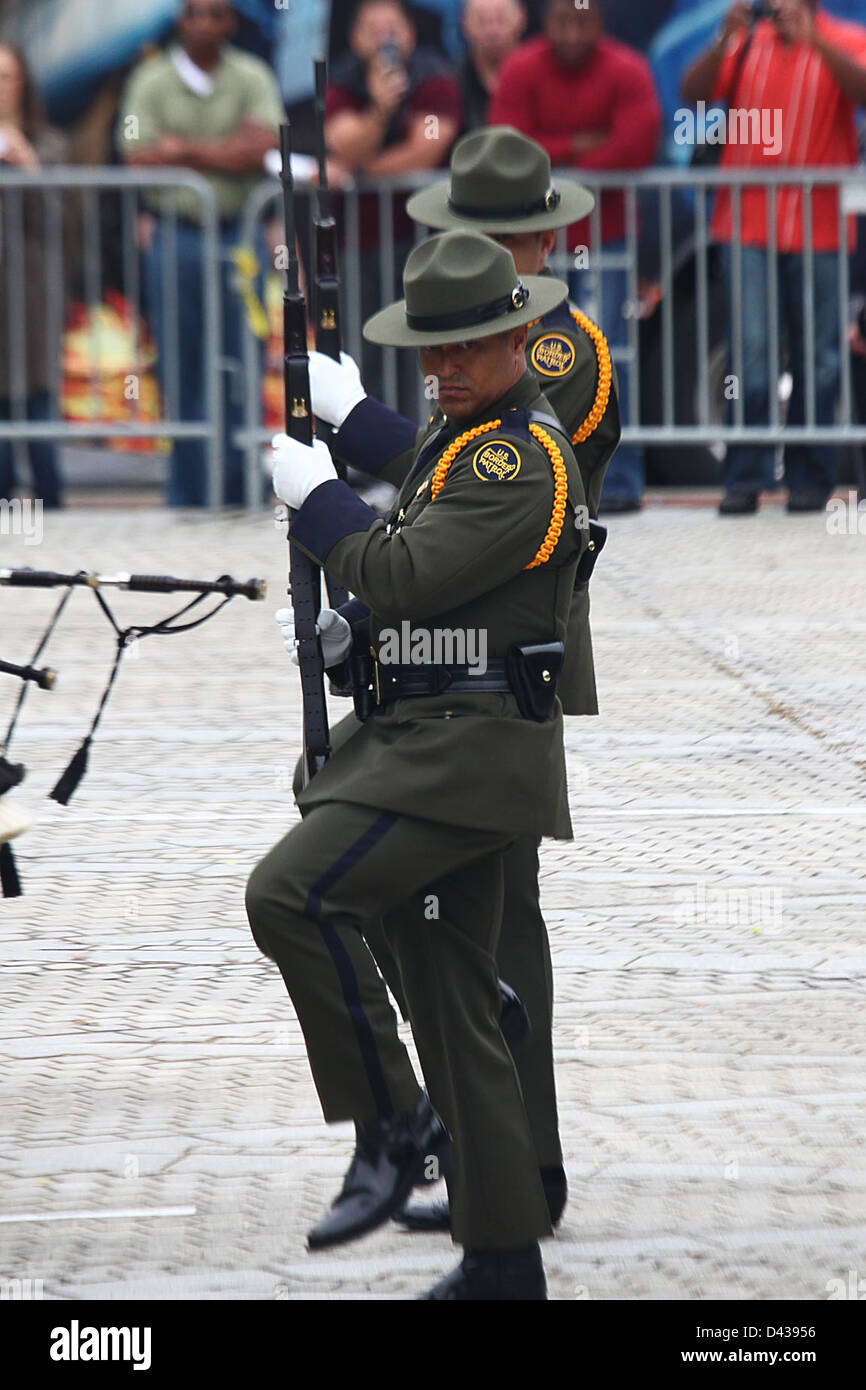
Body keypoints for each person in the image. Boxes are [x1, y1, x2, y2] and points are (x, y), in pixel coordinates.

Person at [247, 229, 590, 1299]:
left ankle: (394, 1120)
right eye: (430, 351)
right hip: (432, 744)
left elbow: (399, 568)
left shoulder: (510, 457)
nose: (444, 369)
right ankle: (501, 1256)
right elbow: (414, 555)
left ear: (519, 337)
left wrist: (317, 500)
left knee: (292, 893)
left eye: (468, 348)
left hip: (463, 762)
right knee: (452, 999)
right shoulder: (458, 441)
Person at [306, 124, 620, 1236]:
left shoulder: (554, 346)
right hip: (456, 661)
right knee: (462, 921)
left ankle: (518, 1166)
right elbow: (446, 467)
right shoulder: (504, 340)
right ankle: (495, 1159)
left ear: (526, 240)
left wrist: (352, 454)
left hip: (498, 663)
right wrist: (359, 420)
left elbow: (494, 477)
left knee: (496, 928)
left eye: (474, 242)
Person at [682, 0, 866, 515]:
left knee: (821, 356)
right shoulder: (744, 39)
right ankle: (745, 477)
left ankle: (811, 480)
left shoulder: (844, 37)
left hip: (821, 227)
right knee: (752, 351)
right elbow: (692, 95)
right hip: (745, 225)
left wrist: (818, 42)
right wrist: (722, 37)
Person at [489, 0, 660, 513]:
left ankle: (621, 480)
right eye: (562, 21)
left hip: (606, 240)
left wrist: (554, 161)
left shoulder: (626, 69)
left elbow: (636, 143)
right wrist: (583, 146)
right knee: (528, 358)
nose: (570, 33)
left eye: (581, 22)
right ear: (546, 24)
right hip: (533, 248)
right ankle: (539, 477)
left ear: (600, 24)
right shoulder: (522, 68)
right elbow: (509, 149)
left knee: (610, 358)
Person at [117, 0, 284, 506]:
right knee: (180, 361)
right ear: (181, 21)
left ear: (231, 22)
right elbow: (136, 155)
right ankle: (188, 491)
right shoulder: (149, 78)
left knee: (242, 358)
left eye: (217, 13)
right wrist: (223, 150)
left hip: (240, 237)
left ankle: (238, 488)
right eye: (196, 13)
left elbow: (263, 146)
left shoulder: (252, 73)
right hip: (176, 237)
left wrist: (181, 150)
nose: (206, 23)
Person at [324, 0, 461, 412]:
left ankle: (429, 448)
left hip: (425, 241)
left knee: (425, 348)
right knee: (367, 345)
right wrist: (381, 111)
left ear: (411, 33)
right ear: (354, 37)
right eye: (373, 28)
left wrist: (359, 173)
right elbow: (343, 141)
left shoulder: (435, 76)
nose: (384, 36)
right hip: (357, 241)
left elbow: (427, 151)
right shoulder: (342, 81)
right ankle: (376, 455)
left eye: (393, 27)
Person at [0, 43, 67, 509]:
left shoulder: (49, 143)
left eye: (6, 76)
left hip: (32, 291)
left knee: (38, 396)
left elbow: (64, 217)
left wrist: (29, 167)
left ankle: (51, 502)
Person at [458, 0, 527, 132]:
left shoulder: (541, 75)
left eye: (501, 19)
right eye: (481, 21)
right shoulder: (452, 82)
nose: (492, 31)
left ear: (521, 18)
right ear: (464, 24)